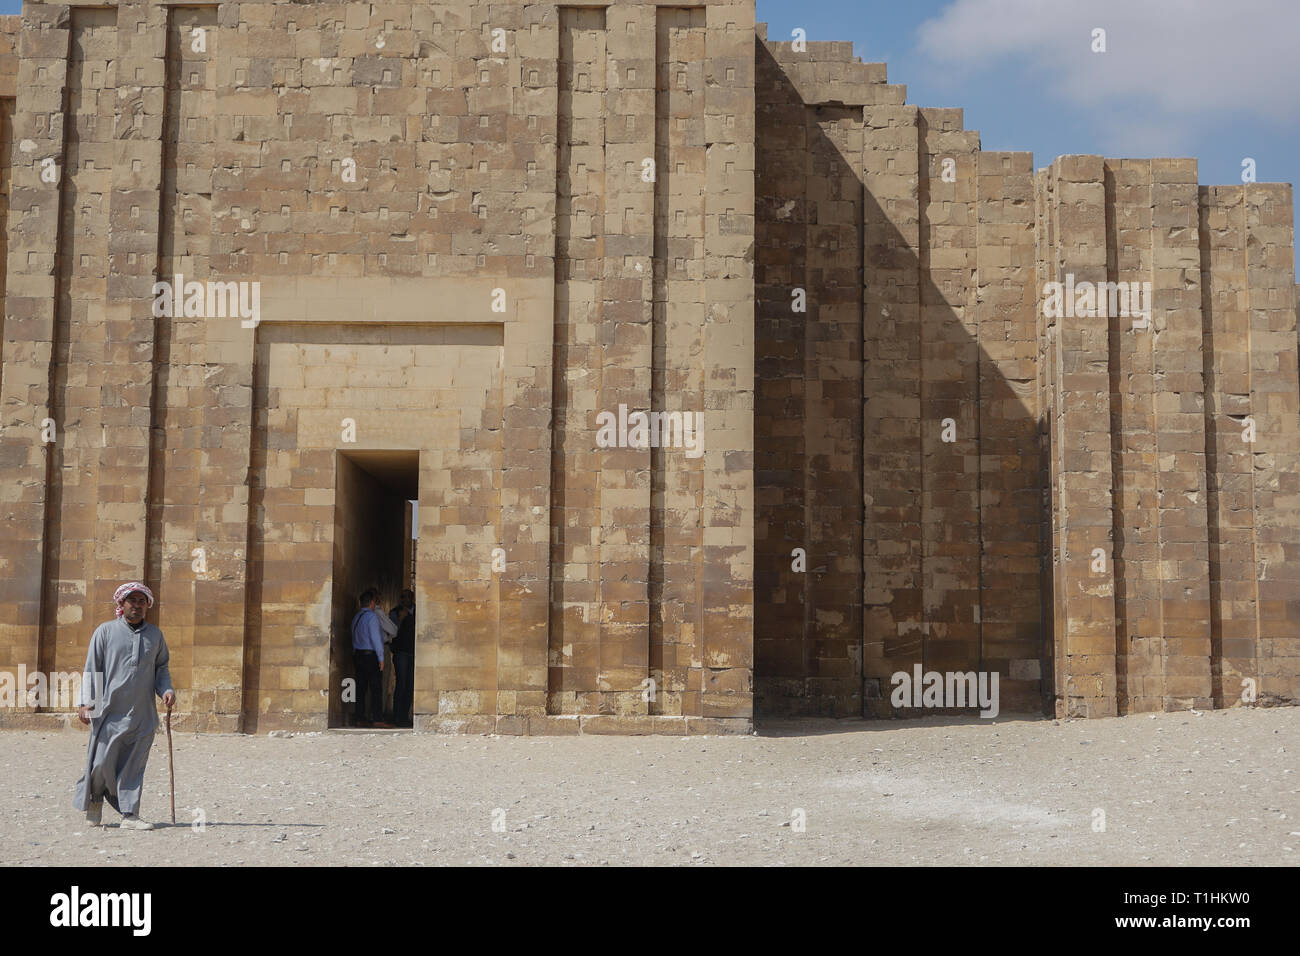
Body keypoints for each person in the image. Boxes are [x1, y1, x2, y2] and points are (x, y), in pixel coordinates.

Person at [74, 582, 176, 830]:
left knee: (134, 764)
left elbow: (161, 668)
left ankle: (130, 815)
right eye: (132, 601)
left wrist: (167, 690)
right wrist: (86, 703)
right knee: (100, 762)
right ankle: (95, 800)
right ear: (121, 604)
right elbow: (92, 668)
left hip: (142, 715)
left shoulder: (155, 635)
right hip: (109, 712)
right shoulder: (105, 632)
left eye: (142, 601)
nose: (137, 606)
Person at [350, 588, 391, 728]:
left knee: (361, 688)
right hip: (370, 656)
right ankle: (377, 718)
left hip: (358, 655)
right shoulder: (372, 617)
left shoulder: (356, 617)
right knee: (376, 688)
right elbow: (376, 639)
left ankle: (359, 718)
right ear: (372, 603)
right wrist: (381, 658)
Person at [388, 589, 415, 726]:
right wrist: (401, 619)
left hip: (413, 653)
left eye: (406, 597)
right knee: (401, 684)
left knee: (410, 686)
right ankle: (397, 716)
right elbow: (393, 631)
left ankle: (405, 716)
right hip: (401, 653)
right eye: (402, 597)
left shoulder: (417, 611)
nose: (404, 600)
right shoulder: (394, 612)